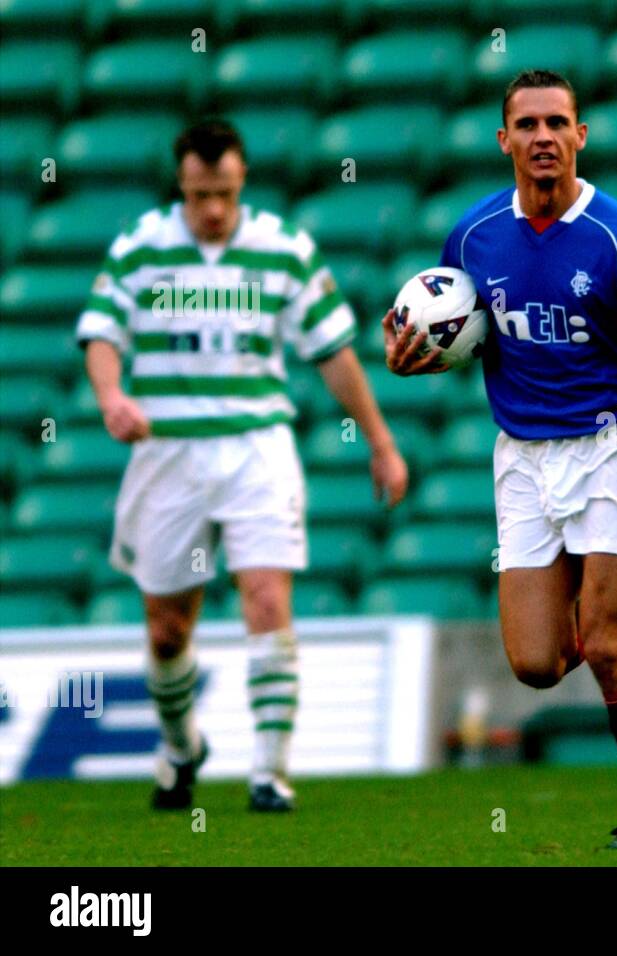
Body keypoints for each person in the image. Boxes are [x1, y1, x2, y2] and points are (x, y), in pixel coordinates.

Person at [383, 70, 617, 849]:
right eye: (528, 125)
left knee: (609, 646)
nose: (544, 137)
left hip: (613, 438)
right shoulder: (472, 236)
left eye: (559, 122)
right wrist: (410, 357)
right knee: (535, 662)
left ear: (581, 137)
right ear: (505, 141)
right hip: (523, 454)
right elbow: (450, 328)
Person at [76, 119, 409, 813]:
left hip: (258, 445)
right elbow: (102, 330)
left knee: (266, 598)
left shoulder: (282, 251)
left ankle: (269, 771)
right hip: (166, 451)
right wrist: (112, 397)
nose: (214, 210)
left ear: (243, 180)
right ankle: (179, 748)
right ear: (182, 186)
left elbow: (334, 351)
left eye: (224, 192)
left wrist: (380, 441)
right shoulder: (141, 249)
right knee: (168, 626)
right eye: (201, 195)